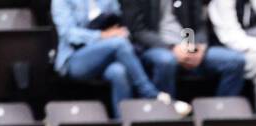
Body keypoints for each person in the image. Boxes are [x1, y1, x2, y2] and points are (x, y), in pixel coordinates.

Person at [52, 0, 193, 117]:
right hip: (76, 58)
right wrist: (102, 36)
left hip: (107, 55)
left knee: (119, 72)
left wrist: (118, 30)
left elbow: (117, 17)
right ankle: (152, 95)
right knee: (119, 44)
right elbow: (68, 34)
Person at [125, 0, 247, 99]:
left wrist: (199, 47)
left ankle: (221, 119)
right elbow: (138, 31)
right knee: (166, 61)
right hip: (156, 48)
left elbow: (200, 26)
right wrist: (171, 48)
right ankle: (164, 117)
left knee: (235, 61)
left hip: (189, 45)